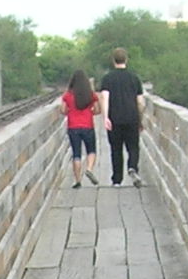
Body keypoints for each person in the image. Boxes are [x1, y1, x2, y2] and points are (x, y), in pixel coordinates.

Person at [98, 47, 145, 186]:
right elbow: (141, 102)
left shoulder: (107, 79)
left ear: (113, 60)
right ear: (126, 60)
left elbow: (104, 98)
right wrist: (140, 119)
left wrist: (105, 117)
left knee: (116, 149)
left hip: (114, 119)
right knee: (133, 146)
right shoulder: (134, 78)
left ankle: (117, 180)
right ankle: (132, 167)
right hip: (132, 118)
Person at [58, 70, 102, 188]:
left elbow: (63, 110)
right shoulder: (91, 95)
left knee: (76, 154)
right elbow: (98, 110)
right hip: (88, 126)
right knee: (91, 150)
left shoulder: (68, 95)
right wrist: (91, 112)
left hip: (73, 127)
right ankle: (89, 169)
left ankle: (78, 181)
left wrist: (70, 111)